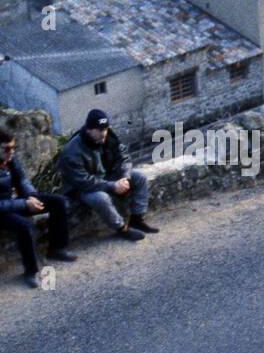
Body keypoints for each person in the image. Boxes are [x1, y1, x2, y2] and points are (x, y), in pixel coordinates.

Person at [57, 109, 158, 242]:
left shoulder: (108, 136)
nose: (103, 133)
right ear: (89, 129)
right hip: (81, 188)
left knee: (139, 177)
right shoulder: (72, 151)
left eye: (105, 129)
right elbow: (82, 181)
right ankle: (122, 228)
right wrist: (112, 186)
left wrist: (125, 177)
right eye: (99, 130)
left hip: (107, 176)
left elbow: (124, 157)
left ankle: (137, 219)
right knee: (101, 198)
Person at [0, 128, 78, 289]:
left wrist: (32, 196)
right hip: (2, 210)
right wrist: (24, 204)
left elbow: (21, 179)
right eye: (7, 149)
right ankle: (31, 270)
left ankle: (58, 248)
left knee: (58, 202)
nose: (11, 152)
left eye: (13, 148)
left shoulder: (9, 159)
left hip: (15, 201)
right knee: (24, 225)